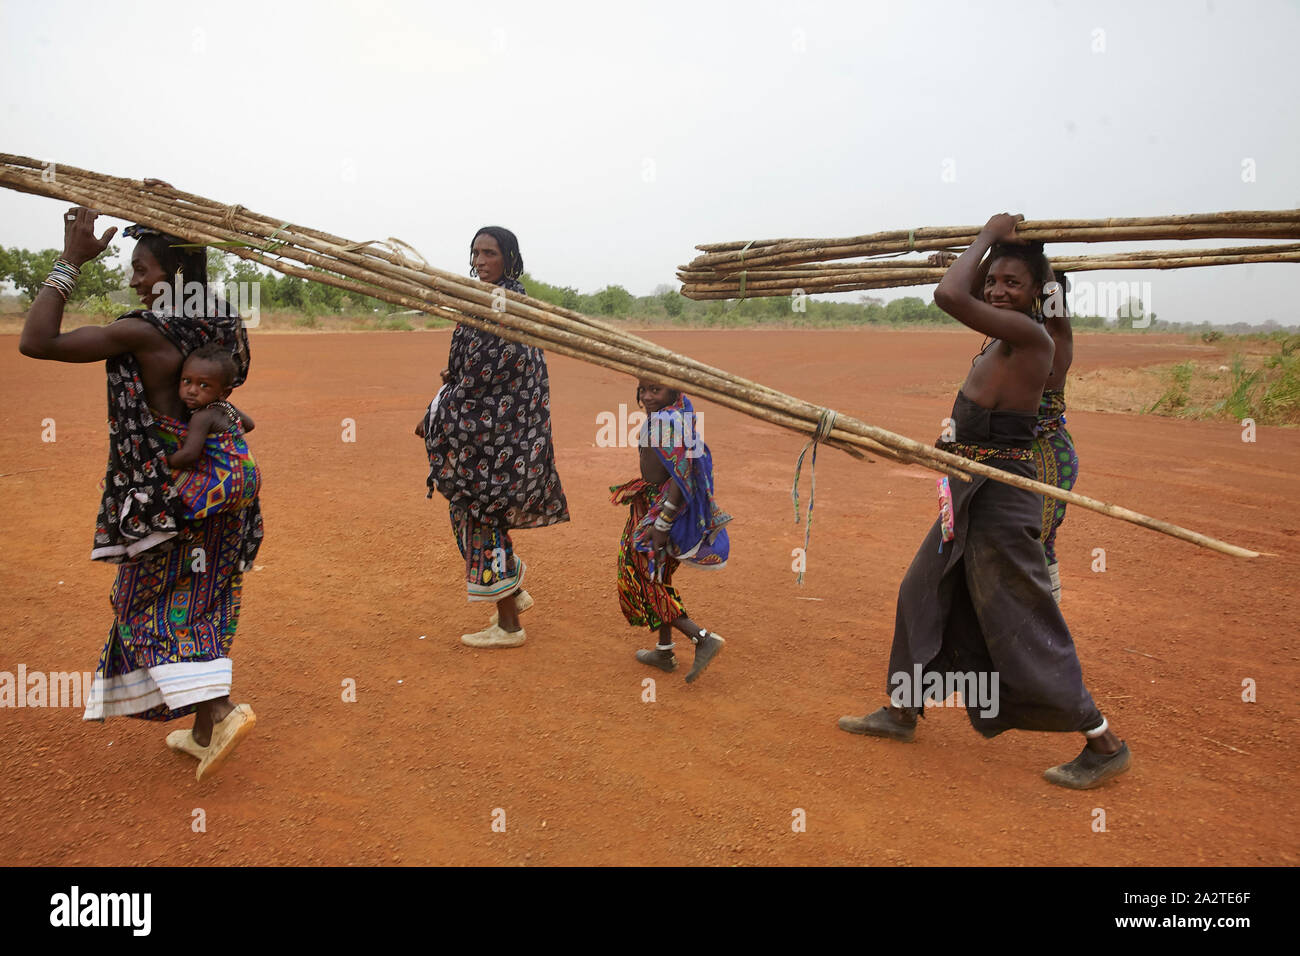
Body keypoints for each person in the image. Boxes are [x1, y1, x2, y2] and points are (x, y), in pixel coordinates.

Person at [837, 213, 1130, 790]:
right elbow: (964, 288)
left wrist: (991, 234)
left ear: (1040, 296)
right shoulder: (1001, 338)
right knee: (923, 589)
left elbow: (949, 293)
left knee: (1021, 618)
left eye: (1012, 284)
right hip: (970, 490)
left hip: (1001, 499)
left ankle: (1103, 741)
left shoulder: (1034, 338)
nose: (996, 290)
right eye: (992, 281)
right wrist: (992, 257)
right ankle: (901, 709)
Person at [19, 207, 262, 782]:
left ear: (173, 275)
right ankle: (201, 733)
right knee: (204, 599)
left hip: (173, 492)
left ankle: (220, 712)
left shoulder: (145, 331)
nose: (133, 280)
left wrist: (70, 262)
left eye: (142, 269)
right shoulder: (225, 322)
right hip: (226, 482)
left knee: (139, 608)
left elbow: (36, 341)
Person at [416, 226, 568, 648]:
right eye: (476, 253)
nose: (481, 261)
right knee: (473, 514)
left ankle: (509, 625)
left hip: (501, 437)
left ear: (509, 259)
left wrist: (438, 411)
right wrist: (453, 384)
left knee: (480, 517)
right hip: (492, 433)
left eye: (490, 254)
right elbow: (472, 368)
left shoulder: (507, 305)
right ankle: (513, 590)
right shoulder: (480, 300)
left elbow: (489, 377)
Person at [610, 380, 730, 682]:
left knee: (639, 573)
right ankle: (664, 650)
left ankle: (701, 637)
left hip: (660, 510)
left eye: (656, 390)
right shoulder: (678, 412)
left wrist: (662, 523)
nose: (647, 396)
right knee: (656, 573)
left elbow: (681, 474)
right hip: (660, 505)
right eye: (643, 389)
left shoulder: (665, 421)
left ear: (673, 392)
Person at [165, 342, 260, 522]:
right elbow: (249, 425)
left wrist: (161, 461)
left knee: (167, 497)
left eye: (203, 385)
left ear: (224, 392)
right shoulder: (225, 407)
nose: (192, 390)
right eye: (186, 381)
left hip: (226, 483)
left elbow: (189, 455)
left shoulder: (202, 416)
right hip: (249, 480)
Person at [1032, 272, 1077, 602]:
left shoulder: (1054, 341)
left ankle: (1041, 629)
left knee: (1033, 542)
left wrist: (1040, 265)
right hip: (1001, 456)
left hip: (1044, 454)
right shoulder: (1005, 337)